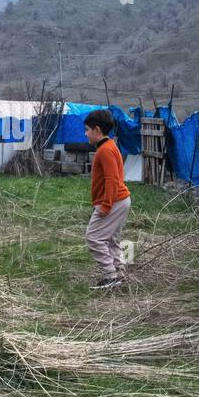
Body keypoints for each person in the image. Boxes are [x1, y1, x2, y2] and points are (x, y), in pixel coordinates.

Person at [83, 109, 131, 289]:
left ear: (97, 130)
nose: (85, 133)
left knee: (94, 237)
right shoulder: (109, 146)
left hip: (114, 201)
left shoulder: (105, 150)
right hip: (120, 200)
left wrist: (105, 205)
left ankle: (110, 275)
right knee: (112, 240)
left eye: (87, 129)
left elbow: (112, 179)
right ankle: (119, 274)